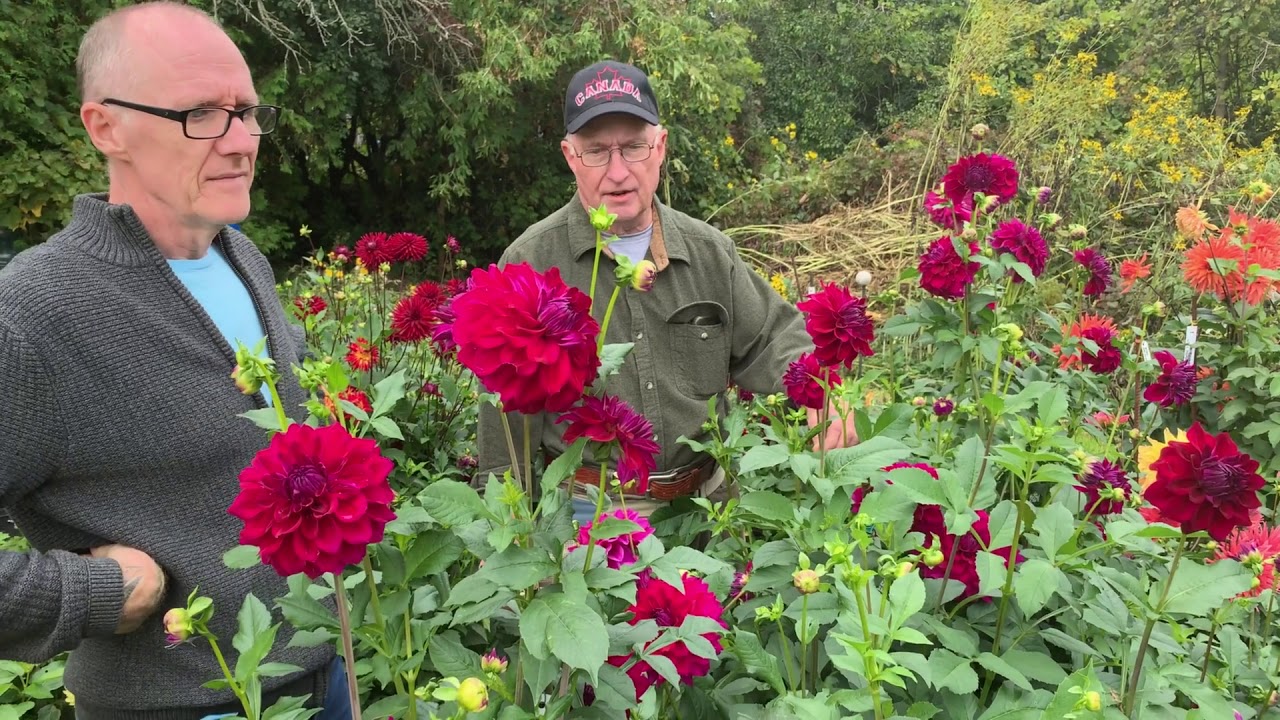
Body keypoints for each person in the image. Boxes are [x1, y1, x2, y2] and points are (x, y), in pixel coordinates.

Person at [0, 3, 350, 718]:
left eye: (247, 111)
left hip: (326, 682)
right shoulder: (32, 313)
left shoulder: (240, 255)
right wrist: (91, 594)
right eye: (200, 114)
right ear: (105, 126)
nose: (240, 141)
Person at [476, 60, 856, 521]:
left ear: (660, 147)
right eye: (596, 151)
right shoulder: (529, 263)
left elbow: (772, 339)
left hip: (707, 511)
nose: (617, 172)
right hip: (586, 517)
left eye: (634, 147)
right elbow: (505, 410)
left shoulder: (710, 252)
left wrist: (821, 396)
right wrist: (506, 530)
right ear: (569, 156)